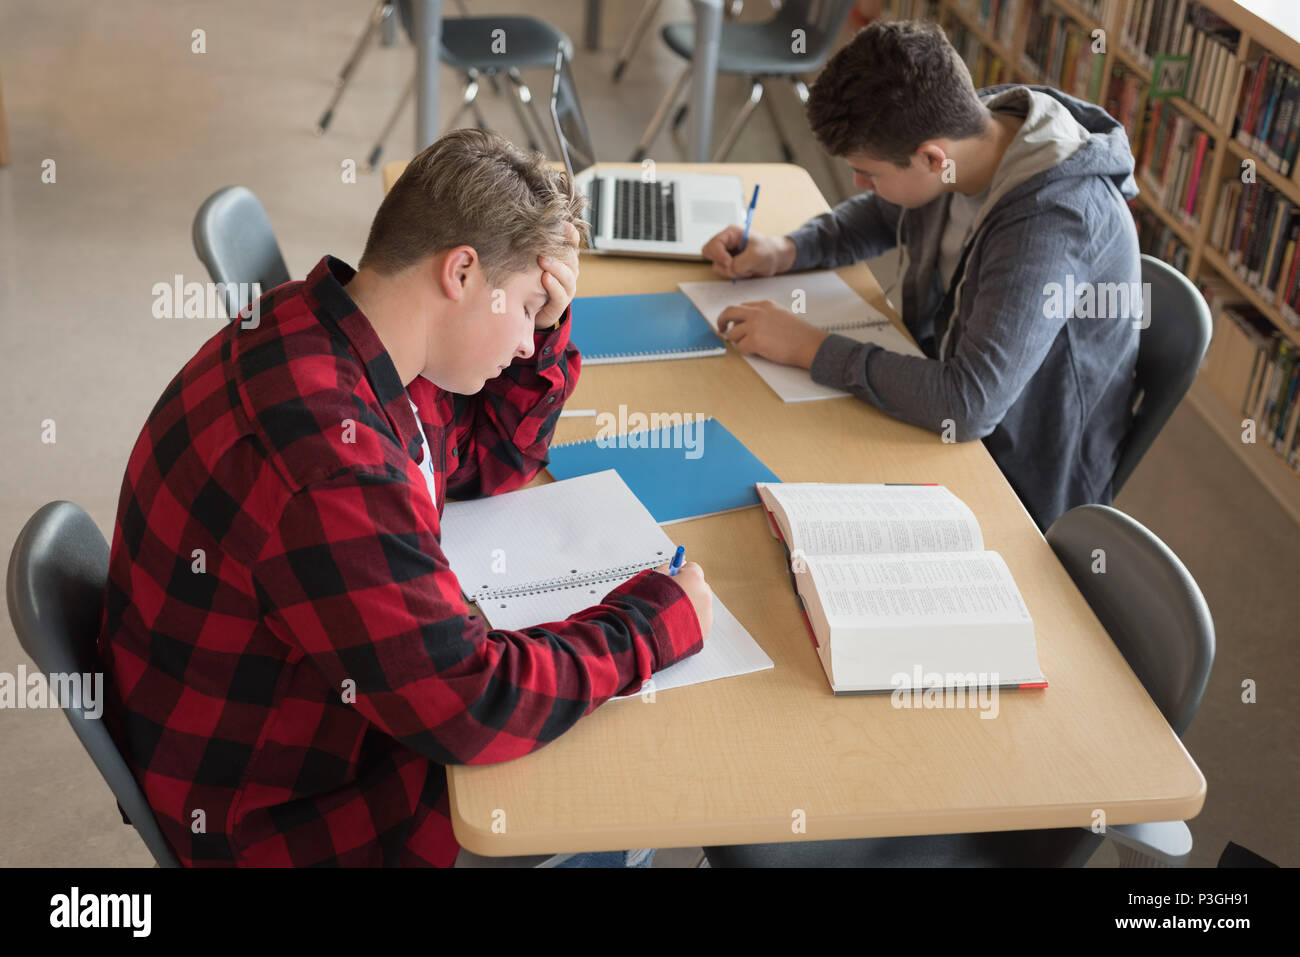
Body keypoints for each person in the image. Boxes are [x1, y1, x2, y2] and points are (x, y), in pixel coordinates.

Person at [97, 128, 712, 867]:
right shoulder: (330, 462)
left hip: (284, 726)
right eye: (523, 307)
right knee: (611, 816)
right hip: (282, 819)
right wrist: (652, 625)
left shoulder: (336, 326)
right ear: (460, 272)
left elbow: (486, 463)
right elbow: (471, 705)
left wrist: (546, 329)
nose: (527, 342)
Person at [702, 19, 1141, 530]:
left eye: (870, 171)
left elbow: (968, 402)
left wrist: (808, 347)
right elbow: (890, 209)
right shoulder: (975, 133)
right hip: (937, 375)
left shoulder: (1050, 224)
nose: (858, 183)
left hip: (1015, 469)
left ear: (934, 158)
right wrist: (786, 249)